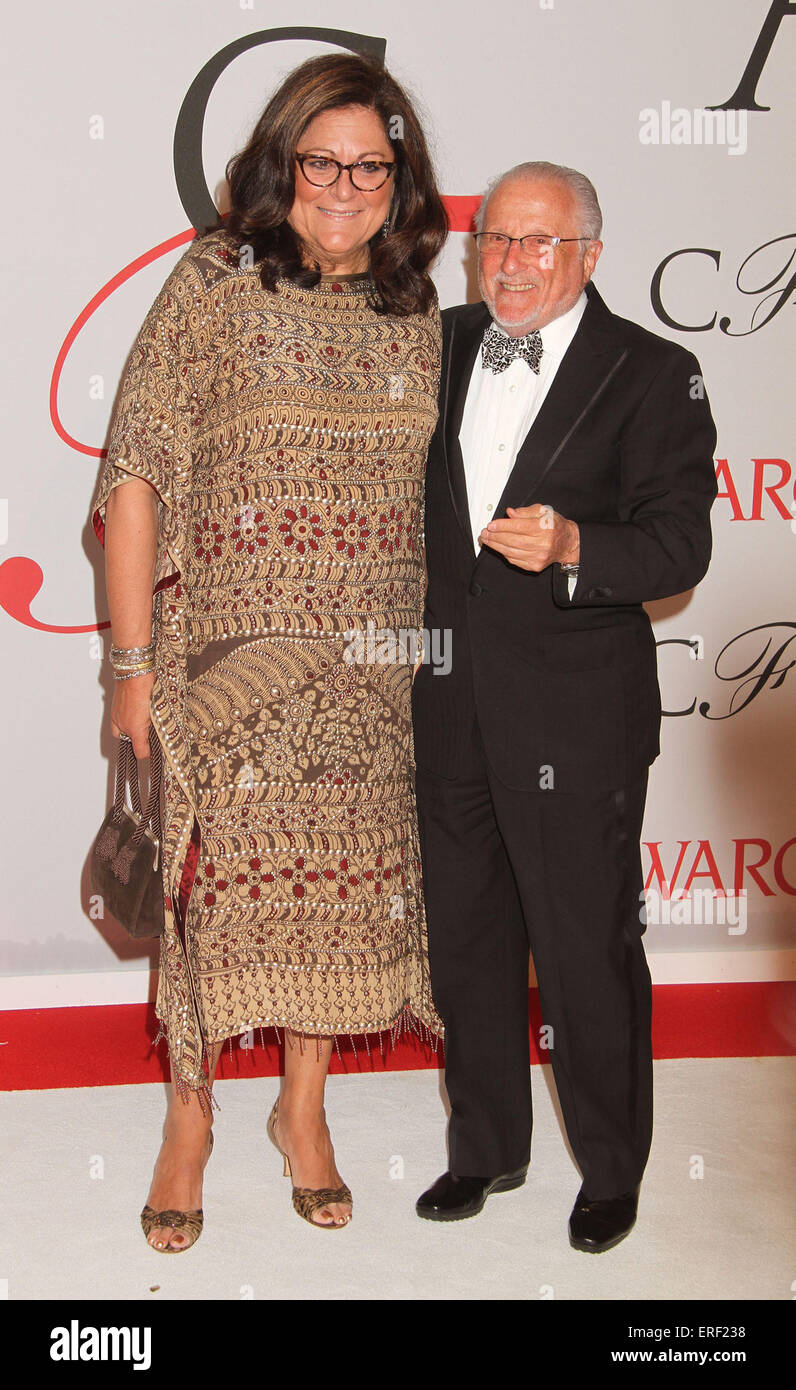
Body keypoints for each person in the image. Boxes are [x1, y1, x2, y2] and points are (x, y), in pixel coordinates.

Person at [91, 52, 447, 1247]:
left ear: (399, 180)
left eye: (370, 166)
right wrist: (130, 671)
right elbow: (135, 472)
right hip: (233, 669)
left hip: (377, 671)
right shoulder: (215, 282)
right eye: (319, 161)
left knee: (343, 904)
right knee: (214, 903)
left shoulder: (418, 316)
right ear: (278, 163)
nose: (343, 187)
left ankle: (304, 1114)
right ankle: (189, 1118)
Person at [411, 161, 717, 1250]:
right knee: (468, 940)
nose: (512, 262)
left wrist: (579, 544)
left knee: (585, 945)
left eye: (541, 242)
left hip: (576, 717)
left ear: (590, 253)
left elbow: (682, 543)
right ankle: (485, 1148)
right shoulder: (433, 344)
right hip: (446, 699)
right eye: (496, 238)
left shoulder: (653, 371)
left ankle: (612, 1169)